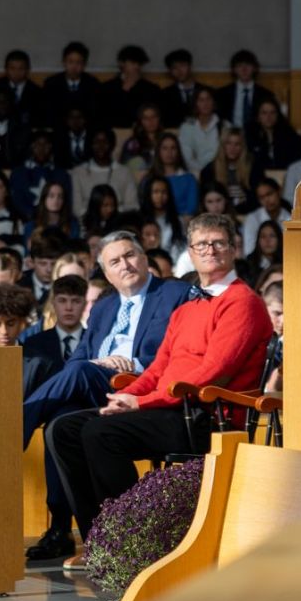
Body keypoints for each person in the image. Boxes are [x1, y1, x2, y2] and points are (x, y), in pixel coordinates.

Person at [46, 213, 273, 565]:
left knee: (100, 434)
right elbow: (160, 366)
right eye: (201, 244)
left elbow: (214, 373)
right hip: (169, 408)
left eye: (218, 243)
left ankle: (131, 543)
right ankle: (101, 543)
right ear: (191, 253)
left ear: (233, 248)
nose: (210, 250)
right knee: (64, 429)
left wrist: (140, 402)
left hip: (207, 416)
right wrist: (126, 395)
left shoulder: (242, 301)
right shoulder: (189, 306)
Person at [22, 230, 197, 561]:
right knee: (59, 424)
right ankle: (84, 536)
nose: (125, 265)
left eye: (130, 255)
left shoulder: (173, 293)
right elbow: (79, 359)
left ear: (144, 259)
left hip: (142, 382)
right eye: (114, 261)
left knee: (77, 375)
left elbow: (181, 351)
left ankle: (14, 428)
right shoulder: (103, 308)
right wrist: (96, 363)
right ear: (104, 272)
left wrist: (131, 363)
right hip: (98, 382)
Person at [68, 128, 140, 218]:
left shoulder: (125, 172)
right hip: (88, 225)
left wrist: (112, 212)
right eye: (96, 142)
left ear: (112, 145)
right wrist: (96, 215)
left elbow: (133, 206)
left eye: (105, 142)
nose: (100, 146)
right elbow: (77, 209)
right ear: (91, 145)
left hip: (119, 223)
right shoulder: (78, 172)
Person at [11, 130, 72, 221]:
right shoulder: (19, 173)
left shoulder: (61, 174)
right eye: (38, 144)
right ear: (32, 146)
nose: (41, 148)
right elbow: (17, 201)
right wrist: (34, 217)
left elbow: (67, 200)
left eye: (46, 145)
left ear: (51, 147)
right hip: (27, 221)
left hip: (57, 221)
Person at [201, 127, 262, 214]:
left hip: (248, 213)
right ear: (223, 146)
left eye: (237, 144)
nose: (232, 148)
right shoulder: (209, 170)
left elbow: (257, 198)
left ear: (242, 147)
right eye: (228, 143)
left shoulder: (253, 168)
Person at [216, 49, 277, 132]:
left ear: (255, 68)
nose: (244, 69)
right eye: (239, 65)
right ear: (234, 69)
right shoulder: (222, 94)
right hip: (230, 138)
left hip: (257, 137)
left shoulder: (266, 94)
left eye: (248, 65)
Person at [43, 41, 101, 128]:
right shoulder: (51, 83)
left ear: (85, 65)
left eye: (78, 63)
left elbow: (94, 113)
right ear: (63, 62)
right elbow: (48, 113)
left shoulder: (93, 84)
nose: (74, 66)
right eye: (70, 62)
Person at [100, 45, 159, 129]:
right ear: (121, 63)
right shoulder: (107, 88)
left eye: (140, 64)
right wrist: (125, 89)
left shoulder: (151, 89)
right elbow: (107, 116)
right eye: (133, 62)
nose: (137, 67)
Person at [145, 133, 199, 217]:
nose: (169, 152)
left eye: (173, 148)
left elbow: (191, 209)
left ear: (178, 151)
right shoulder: (149, 179)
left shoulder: (189, 179)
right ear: (158, 151)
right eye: (165, 148)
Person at [159, 49, 210, 128]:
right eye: (174, 68)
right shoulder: (164, 94)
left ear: (190, 66)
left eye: (182, 65)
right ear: (170, 71)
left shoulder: (208, 91)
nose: (179, 71)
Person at [178, 85, 223, 175]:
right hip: (192, 173)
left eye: (208, 99)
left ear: (213, 102)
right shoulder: (187, 127)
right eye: (201, 100)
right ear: (196, 104)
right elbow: (186, 155)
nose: (205, 104)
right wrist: (198, 171)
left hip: (217, 173)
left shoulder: (224, 126)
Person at [249, 97, 301, 171]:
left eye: (272, 112)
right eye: (264, 113)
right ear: (258, 116)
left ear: (278, 115)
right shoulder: (250, 136)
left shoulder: (289, 136)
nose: (268, 117)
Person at [242, 178, 291, 256]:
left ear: (279, 192)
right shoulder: (252, 219)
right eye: (262, 197)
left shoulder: (290, 218)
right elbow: (249, 250)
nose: (267, 200)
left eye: (269, 194)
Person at [118, 104, 163, 172]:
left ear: (159, 118)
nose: (150, 121)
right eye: (146, 118)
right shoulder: (133, 143)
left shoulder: (166, 139)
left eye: (153, 117)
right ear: (140, 121)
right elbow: (126, 166)